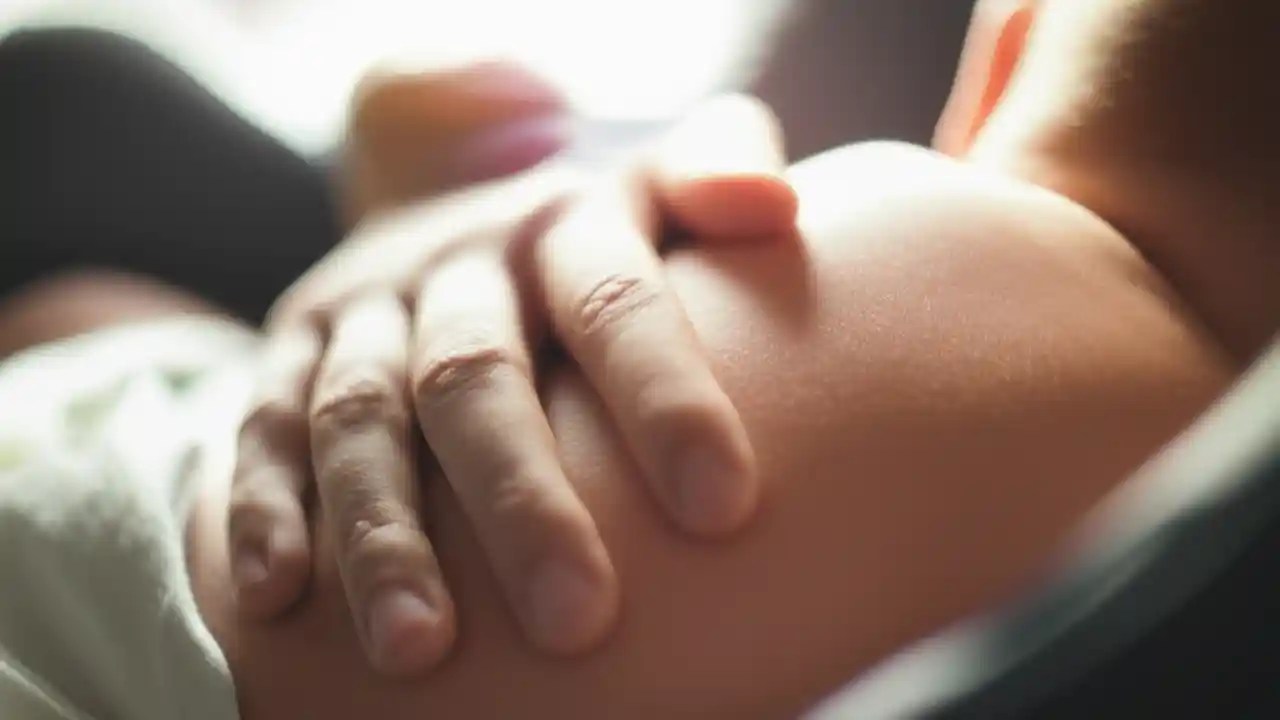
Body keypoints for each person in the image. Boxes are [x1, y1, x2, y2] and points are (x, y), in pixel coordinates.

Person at [2, 0, 1276, 718]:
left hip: (122, 516)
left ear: (1006, 50)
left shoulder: (896, 227)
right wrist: (383, 232)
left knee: (82, 296)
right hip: (178, 509)